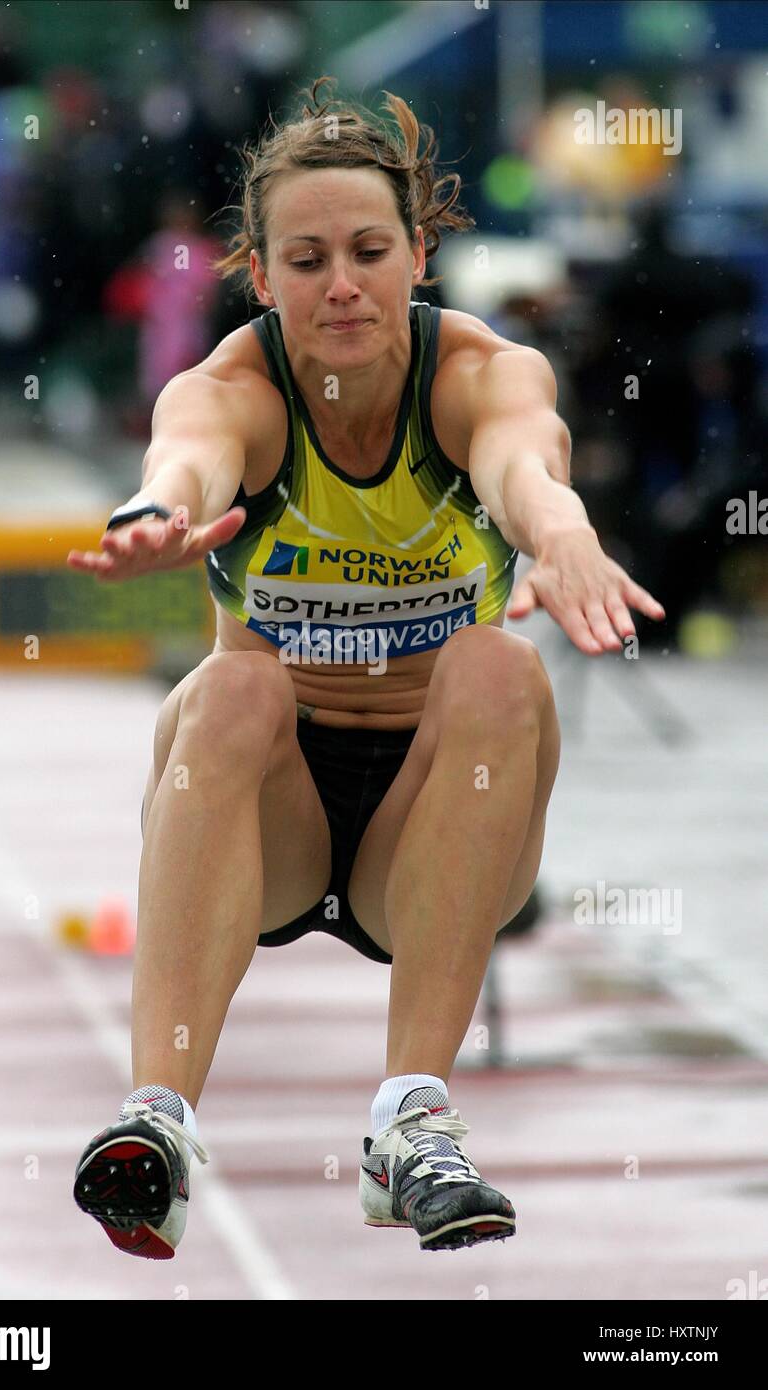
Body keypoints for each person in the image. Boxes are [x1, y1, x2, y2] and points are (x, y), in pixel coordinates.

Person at [67, 77, 665, 1259]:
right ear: (258, 268)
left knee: (496, 667)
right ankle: (158, 1123)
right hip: (270, 819)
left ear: (419, 253)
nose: (339, 285)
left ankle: (411, 1126)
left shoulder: (480, 376)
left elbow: (524, 469)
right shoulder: (235, 392)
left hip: (434, 822)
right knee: (228, 686)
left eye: (366, 251)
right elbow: (183, 458)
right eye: (303, 260)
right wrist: (152, 513)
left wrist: (561, 537)